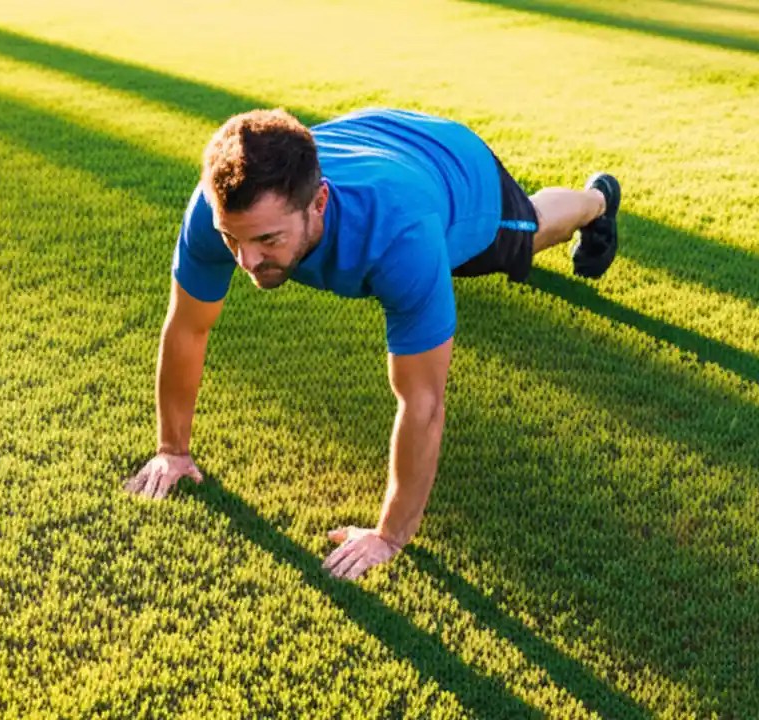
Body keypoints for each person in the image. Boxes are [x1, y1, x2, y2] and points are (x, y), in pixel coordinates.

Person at [123, 107, 621, 581]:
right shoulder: (219, 213)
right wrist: (173, 450)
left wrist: (389, 537)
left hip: (455, 171)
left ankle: (596, 201)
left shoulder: (399, 235)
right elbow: (188, 327)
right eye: (234, 241)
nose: (247, 261)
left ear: (318, 202)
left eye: (268, 241)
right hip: (379, 145)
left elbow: (423, 403)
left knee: (527, 230)